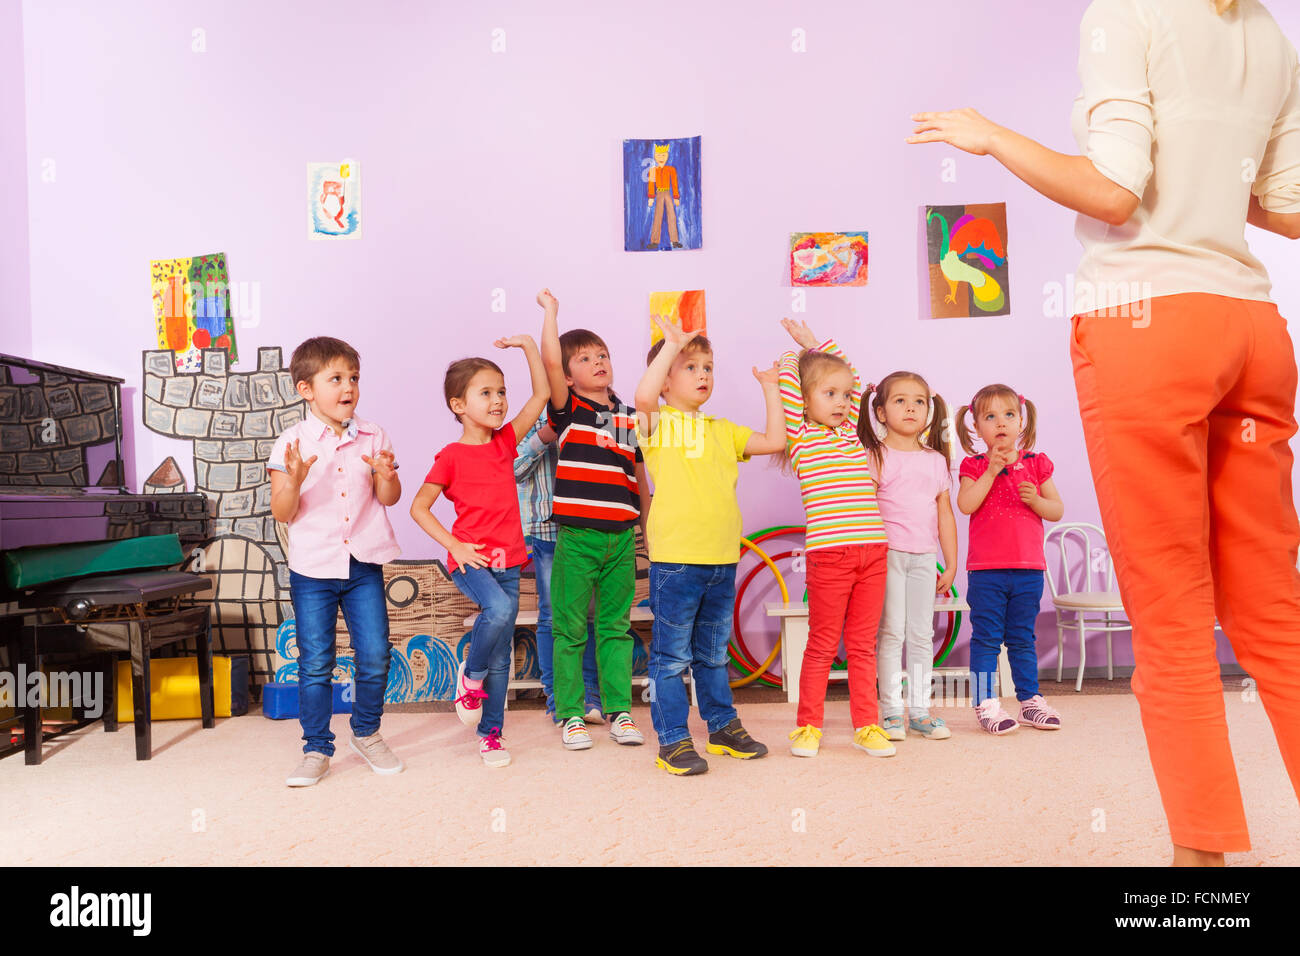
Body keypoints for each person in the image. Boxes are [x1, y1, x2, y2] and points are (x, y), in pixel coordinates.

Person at [910, 0, 1300, 864]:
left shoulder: (1127, 10)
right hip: (1251, 331)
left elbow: (1114, 193)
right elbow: (1289, 208)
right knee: (1276, 610)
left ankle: (1199, 870)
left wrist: (991, 137)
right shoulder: (1268, 32)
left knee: (1168, 611)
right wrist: (1209, 190)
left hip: (1147, 327)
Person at [632, 315, 785, 775]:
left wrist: (771, 387)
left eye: (708, 367)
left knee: (713, 653)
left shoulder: (724, 429)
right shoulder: (656, 424)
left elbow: (776, 439)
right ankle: (673, 741)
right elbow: (642, 395)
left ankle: (721, 726)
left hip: (722, 559)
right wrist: (669, 346)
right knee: (672, 656)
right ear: (665, 381)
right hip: (677, 562)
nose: (703, 375)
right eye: (690, 367)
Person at [409, 310, 550, 768]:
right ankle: (470, 678)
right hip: (470, 560)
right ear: (457, 405)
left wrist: (529, 346)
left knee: (504, 653)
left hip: (510, 559)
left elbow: (544, 394)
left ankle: (492, 735)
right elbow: (418, 507)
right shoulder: (450, 456)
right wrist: (455, 545)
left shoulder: (506, 442)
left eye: (501, 392)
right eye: (485, 393)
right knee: (502, 610)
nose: (498, 401)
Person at [269, 336, 402, 787]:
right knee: (315, 663)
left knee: (375, 655)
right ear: (306, 389)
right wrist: (293, 480)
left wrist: (386, 475)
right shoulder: (291, 443)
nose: (349, 387)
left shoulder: (374, 435)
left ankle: (366, 732)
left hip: (363, 561)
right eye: (336, 379)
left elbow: (389, 498)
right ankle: (316, 747)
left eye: (354, 379)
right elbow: (283, 513)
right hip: (313, 568)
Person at [539, 289, 652, 750]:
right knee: (568, 627)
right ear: (568, 375)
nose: (598, 362)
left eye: (602, 354)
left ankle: (619, 711)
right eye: (584, 358)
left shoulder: (630, 417)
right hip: (578, 537)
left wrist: (649, 530)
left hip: (622, 538)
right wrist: (551, 314)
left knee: (614, 627)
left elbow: (640, 480)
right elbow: (549, 363)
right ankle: (570, 713)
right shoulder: (569, 411)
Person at [777, 319, 894, 759]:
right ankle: (808, 726)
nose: (842, 402)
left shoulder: (851, 435)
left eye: (844, 396)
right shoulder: (802, 437)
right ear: (804, 401)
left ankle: (868, 725)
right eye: (829, 395)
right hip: (830, 556)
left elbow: (857, 382)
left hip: (873, 553)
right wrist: (799, 356)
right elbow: (792, 381)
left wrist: (818, 344)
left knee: (863, 645)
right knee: (823, 644)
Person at [954, 386, 1065, 734]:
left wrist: (1036, 501)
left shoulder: (1036, 464)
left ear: (1021, 421)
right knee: (986, 638)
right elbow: (966, 505)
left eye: (1008, 415)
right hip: (986, 572)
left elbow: (1057, 510)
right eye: (990, 417)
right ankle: (986, 703)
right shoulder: (973, 464)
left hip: (1029, 570)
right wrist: (990, 471)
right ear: (976, 426)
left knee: (1021, 638)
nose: (1000, 423)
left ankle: (1029, 701)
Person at [856, 371, 958, 740]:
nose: (911, 407)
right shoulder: (874, 455)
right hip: (887, 557)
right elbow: (863, 510)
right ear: (880, 412)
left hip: (924, 556)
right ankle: (890, 711)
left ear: (929, 411)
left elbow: (945, 513)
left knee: (921, 633)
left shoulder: (935, 460)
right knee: (891, 632)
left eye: (919, 401)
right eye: (900, 400)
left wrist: (951, 561)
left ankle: (919, 710)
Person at [513, 413, 605, 724]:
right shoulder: (536, 418)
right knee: (553, 614)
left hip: (591, 530)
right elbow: (512, 468)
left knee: (588, 615)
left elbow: (624, 464)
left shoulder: (602, 412)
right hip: (549, 531)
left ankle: (590, 695)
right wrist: (546, 435)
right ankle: (558, 699)